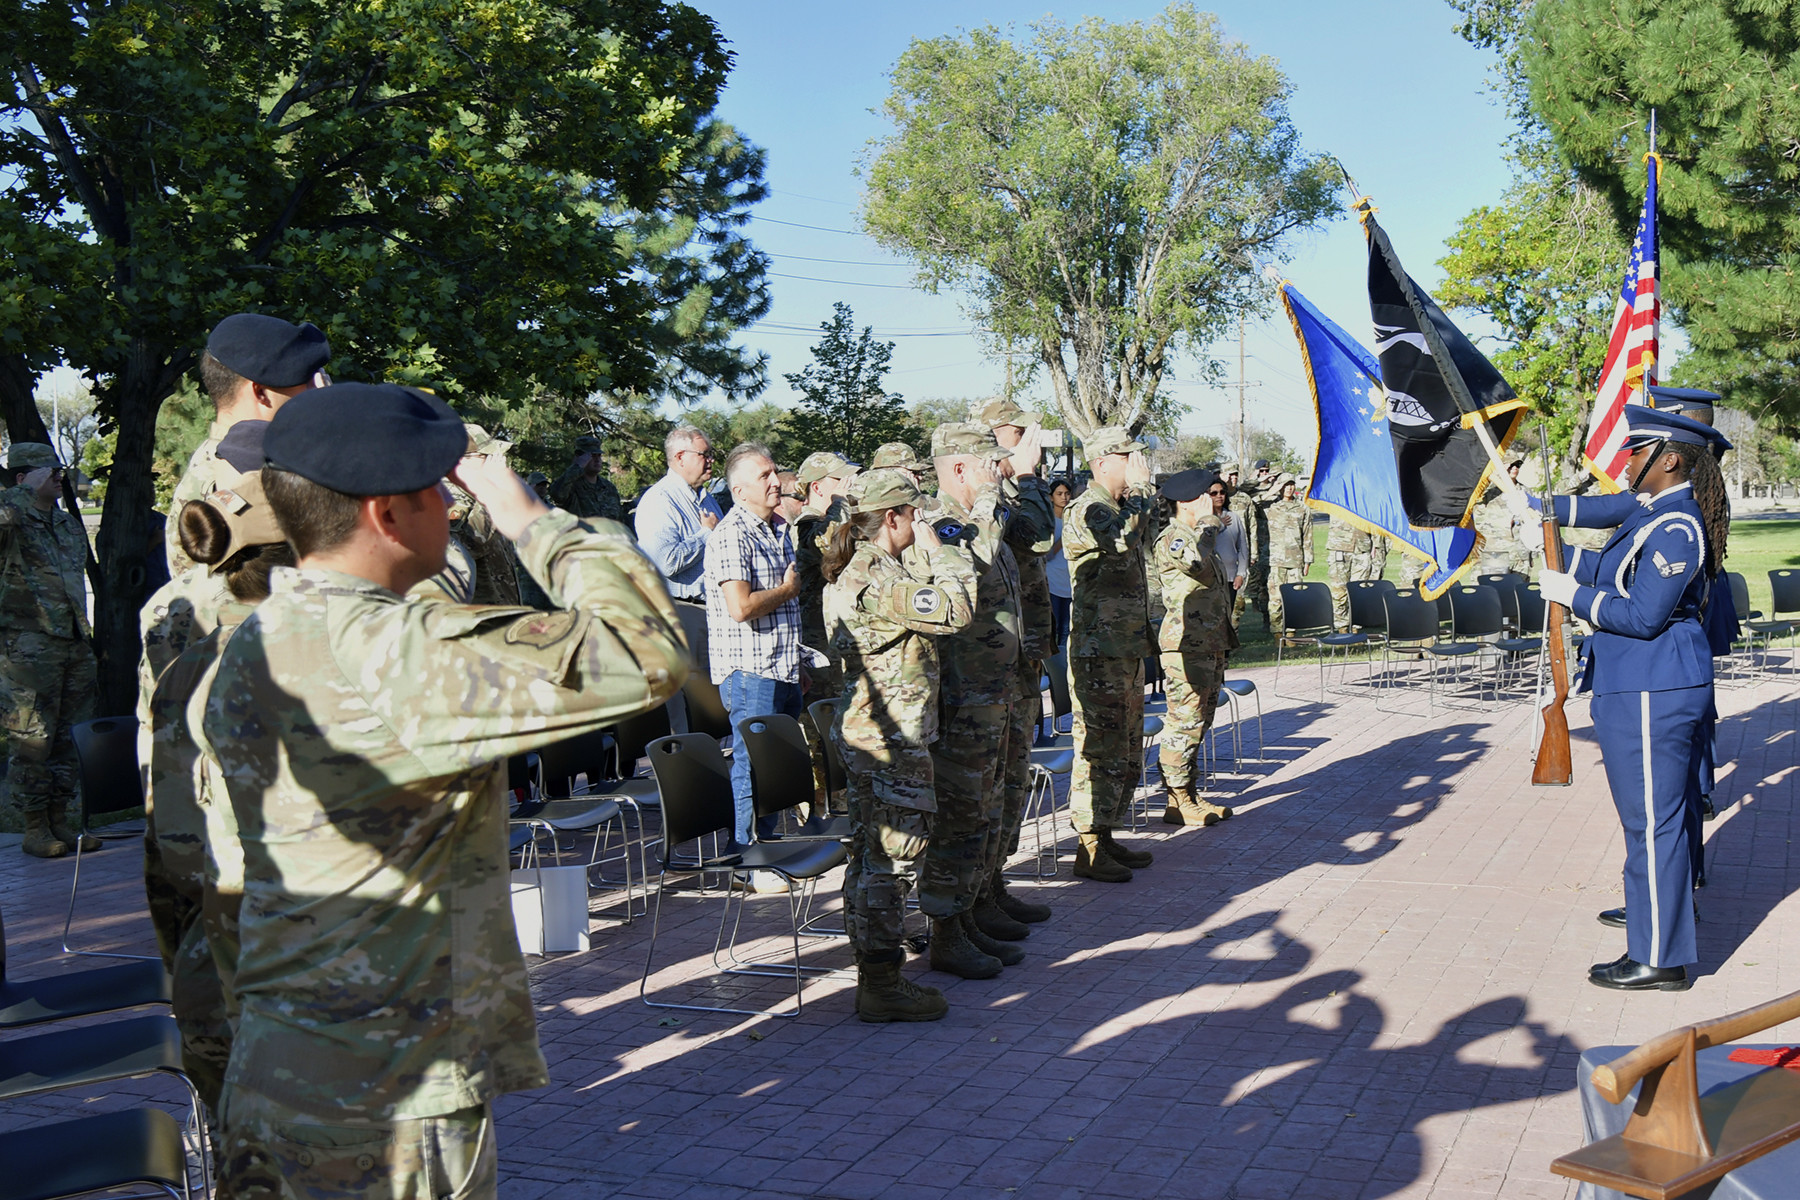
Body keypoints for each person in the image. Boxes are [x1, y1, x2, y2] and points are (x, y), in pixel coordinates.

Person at [202, 382, 689, 1199]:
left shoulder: (262, 637)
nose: (451, 506)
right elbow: (647, 651)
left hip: (281, 1065)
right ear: (389, 514)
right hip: (388, 1101)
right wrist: (534, 518)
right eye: (437, 490)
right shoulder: (399, 651)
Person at [1513, 404, 1732, 992]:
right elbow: (1615, 572)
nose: (1627, 460)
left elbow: (1641, 612)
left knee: (1652, 827)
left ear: (1672, 460)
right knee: (1652, 824)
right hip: (1639, 682)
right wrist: (1549, 548)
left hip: (1650, 686)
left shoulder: (1677, 526)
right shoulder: (1654, 518)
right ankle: (1656, 937)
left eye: (1638, 451)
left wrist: (1574, 596)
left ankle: (1659, 958)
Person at [139, 420, 291, 1125]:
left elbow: (169, 819)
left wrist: (184, 951)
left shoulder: (171, 614)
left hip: (219, 916)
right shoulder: (352, 606)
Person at [823, 468, 975, 1020]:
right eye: (914, 514)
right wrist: (941, 554)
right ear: (893, 518)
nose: (920, 523)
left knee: (870, 856)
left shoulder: (871, 568)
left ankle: (875, 972)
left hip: (877, 735)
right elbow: (956, 611)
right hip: (890, 740)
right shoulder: (878, 578)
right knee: (892, 860)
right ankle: (882, 983)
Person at [972, 397, 1058, 929]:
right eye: (1019, 434)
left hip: (1021, 654)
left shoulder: (1012, 491)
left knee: (1014, 778)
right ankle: (975, 895)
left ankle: (994, 881)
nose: (1029, 444)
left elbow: (1042, 548)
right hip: (990, 664)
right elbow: (1041, 534)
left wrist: (1030, 479)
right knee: (989, 785)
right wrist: (1027, 478)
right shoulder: (982, 500)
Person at [168, 313, 330, 575]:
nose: (320, 389)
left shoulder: (246, 458)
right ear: (260, 393)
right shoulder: (236, 474)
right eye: (307, 380)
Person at [1064, 426, 1156, 883]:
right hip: (1099, 650)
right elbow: (1120, 540)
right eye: (1129, 457)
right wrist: (1142, 490)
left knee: (1124, 745)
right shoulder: (1091, 508)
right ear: (1103, 462)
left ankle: (1106, 831)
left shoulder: (1120, 507)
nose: (1138, 465)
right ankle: (1089, 843)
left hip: (1124, 647)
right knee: (1100, 747)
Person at [703, 442, 803, 850]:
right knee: (751, 761)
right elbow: (741, 607)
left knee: (775, 762)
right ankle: (745, 854)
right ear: (740, 491)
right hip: (751, 671)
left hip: (783, 665)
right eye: (764, 476)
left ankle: (769, 843)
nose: (776, 481)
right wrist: (786, 590)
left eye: (774, 472)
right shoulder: (732, 535)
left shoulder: (777, 530)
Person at [0, 443, 98, 858]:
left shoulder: (67, 524)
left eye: (60, 470)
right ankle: (34, 826)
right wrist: (18, 493)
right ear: (22, 479)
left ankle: (61, 820)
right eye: (49, 471)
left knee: (67, 739)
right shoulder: (12, 519)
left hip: (74, 642)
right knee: (32, 739)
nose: (59, 476)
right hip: (28, 646)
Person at [1152, 468, 1239, 828]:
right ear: (1188, 502)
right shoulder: (1174, 538)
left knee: (1201, 721)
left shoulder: (1196, 535)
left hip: (1209, 641)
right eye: (1207, 496)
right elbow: (1196, 564)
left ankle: (1186, 794)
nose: (1215, 502)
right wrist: (1210, 524)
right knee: (1184, 722)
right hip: (1185, 646)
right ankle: (1177, 796)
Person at [792, 451, 859, 813]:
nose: (848, 486)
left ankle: (837, 800)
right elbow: (829, 542)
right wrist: (841, 505)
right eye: (840, 481)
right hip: (816, 649)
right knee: (816, 732)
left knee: (834, 726)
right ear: (817, 487)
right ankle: (818, 808)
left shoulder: (833, 521)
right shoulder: (807, 526)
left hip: (833, 649)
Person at [635, 424, 724, 604]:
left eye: (711, 454)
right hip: (682, 610)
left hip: (713, 608)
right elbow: (666, 563)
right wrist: (706, 534)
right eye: (704, 454)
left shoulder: (707, 499)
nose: (711, 460)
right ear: (681, 457)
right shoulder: (659, 500)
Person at [1265, 474, 1313, 631]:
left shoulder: (1302, 508)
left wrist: (1307, 561)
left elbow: (1307, 535)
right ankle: (1278, 632)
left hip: (1295, 560)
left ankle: (1292, 632)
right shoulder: (1271, 507)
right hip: (1277, 560)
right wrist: (1272, 491)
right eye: (1285, 485)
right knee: (1275, 598)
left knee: (1295, 598)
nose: (1289, 488)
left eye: (1291, 484)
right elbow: (1253, 501)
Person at [549, 433, 625, 521]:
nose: (597, 460)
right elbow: (557, 494)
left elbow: (620, 518)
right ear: (580, 458)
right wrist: (577, 466)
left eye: (599, 455)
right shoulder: (571, 487)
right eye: (592, 456)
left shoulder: (609, 488)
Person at [1209, 476, 1248, 616]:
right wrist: (1218, 524)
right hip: (1210, 578)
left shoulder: (1234, 517)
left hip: (1231, 576)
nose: (1219, 496)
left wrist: (1240, 574)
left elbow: (1242, 548)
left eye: (1222, 492)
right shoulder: (1203, 519)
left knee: (1228, 616)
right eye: (1214, 493)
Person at [1046, 478, 1074, 654]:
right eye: (1059, 494)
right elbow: (1047, 554)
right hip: (1052, 580)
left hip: (1070, 578)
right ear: (1051, 497)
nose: (1064, 498)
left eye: (1067, 494)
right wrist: (1064, 538)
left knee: (1067, 627)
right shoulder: (1048, 522)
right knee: (1053, 626)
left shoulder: (1074, 519)